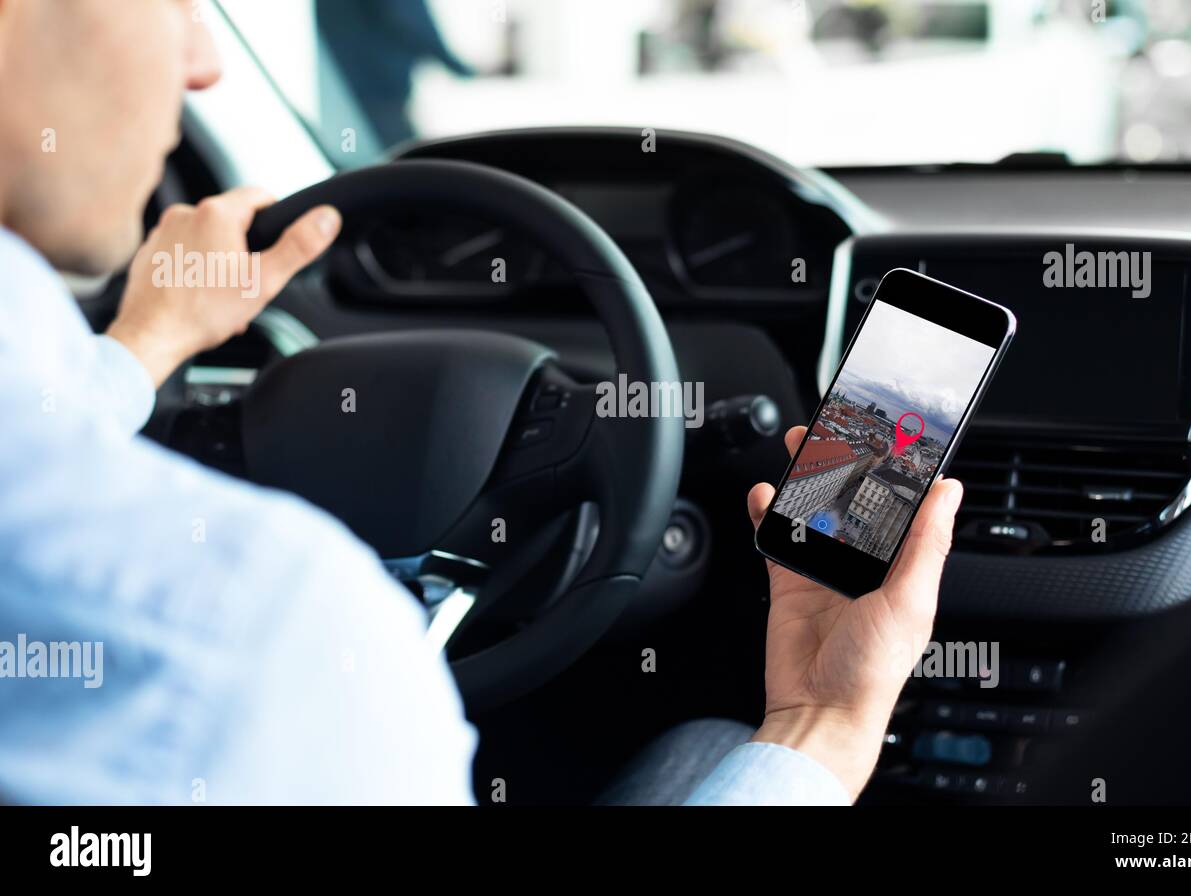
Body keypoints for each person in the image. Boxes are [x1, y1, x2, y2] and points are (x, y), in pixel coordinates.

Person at [0, 0, 962, 805]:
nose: (203, 57)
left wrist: (143, 346)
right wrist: (822, 730)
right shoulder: (258, 647)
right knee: (713, 750)